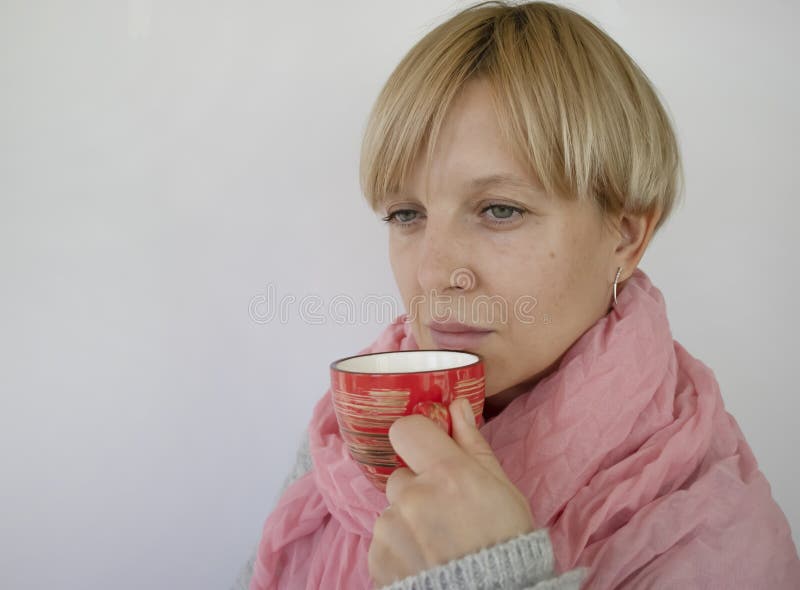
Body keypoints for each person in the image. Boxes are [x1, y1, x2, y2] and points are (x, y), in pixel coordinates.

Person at [233, 1, 800, 588]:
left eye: (500, 209)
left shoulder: (710, 527)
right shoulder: (347, 430)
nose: (432, 273)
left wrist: (487, 576)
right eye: (407, 214)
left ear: (626, 238)